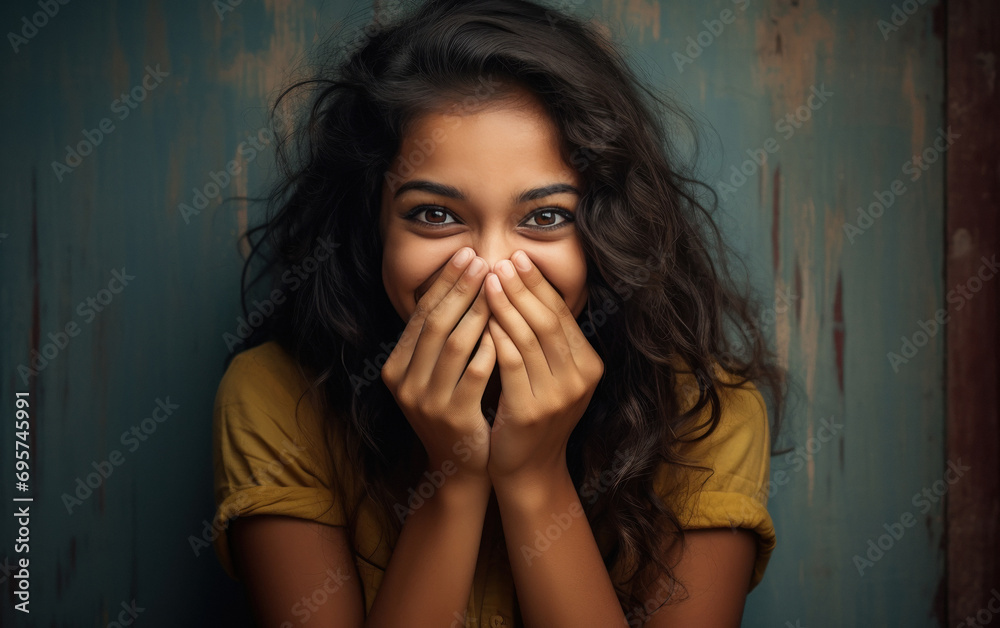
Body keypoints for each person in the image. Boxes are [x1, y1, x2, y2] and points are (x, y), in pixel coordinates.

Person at [210, 0, 788, 626]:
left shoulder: (709, 416)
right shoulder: (274, 397)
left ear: (608, 233)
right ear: (372, 228)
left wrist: (535, 478)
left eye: (545, 217)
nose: (489, 268)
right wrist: (452, 480)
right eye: (435, 213)